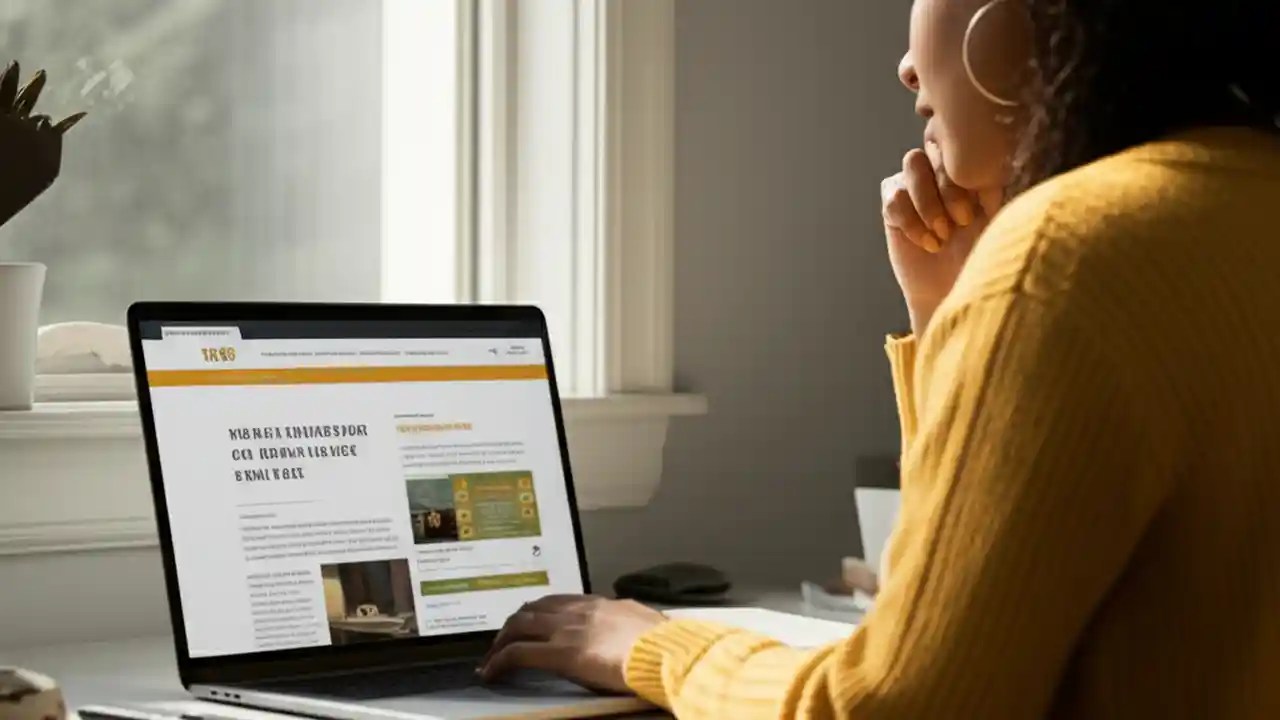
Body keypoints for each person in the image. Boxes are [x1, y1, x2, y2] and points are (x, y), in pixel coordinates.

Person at [479, 0, 1280, 716]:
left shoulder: (1066, 257)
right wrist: (946, 314)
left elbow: (889, 704)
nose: (904, 66)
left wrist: (644, 648)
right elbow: (957, 631)